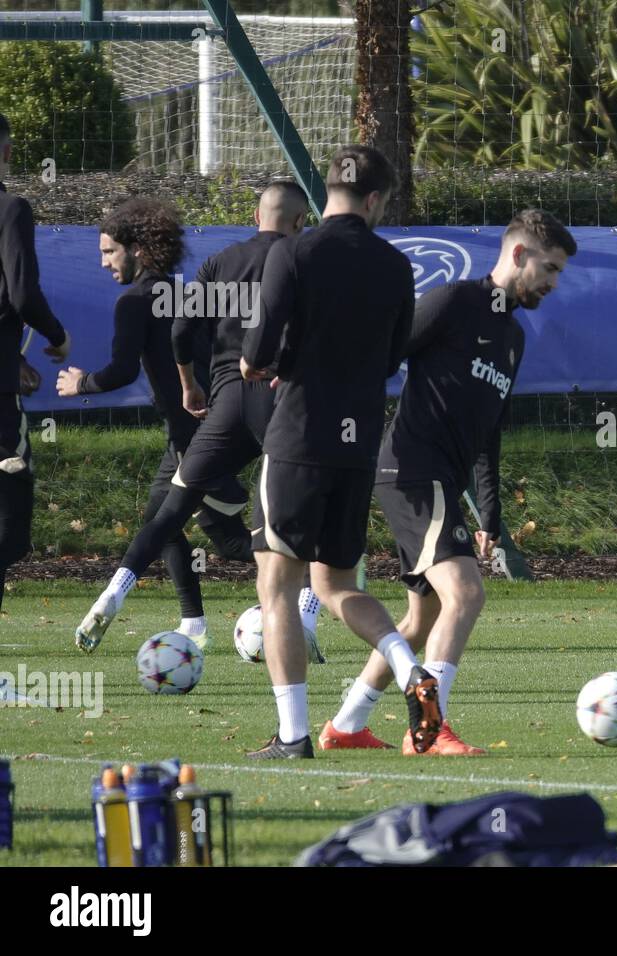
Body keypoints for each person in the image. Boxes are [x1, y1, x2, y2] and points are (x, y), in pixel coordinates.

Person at [320, 209, 576, 756]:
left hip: (439, 479)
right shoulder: (455, 302)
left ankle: (346, 724)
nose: (553, 283)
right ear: (518, 254)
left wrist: (490, 515)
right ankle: (429, 731)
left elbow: (489, 434)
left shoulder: (513, 337)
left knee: (424, 617)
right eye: (550, 269)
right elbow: (380, 358)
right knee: (466, 592)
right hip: (412, 471)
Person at [240, 145, 438, 759]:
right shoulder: (394, 267)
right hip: (359, 444)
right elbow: (390, 358)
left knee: (277, 586)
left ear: (328, 190)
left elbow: (259, 346)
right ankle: (409, 669)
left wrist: (261, 364)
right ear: (376, 198)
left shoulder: (292, 252)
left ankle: (293, 735)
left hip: (298, 436)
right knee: (336, 584)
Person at [71, 183, 324, 654]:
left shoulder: (221, 263)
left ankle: (116, 590)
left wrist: (190, 384)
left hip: (225, 405)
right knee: (312, 516)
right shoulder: (305, 259)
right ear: (300, 222)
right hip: (281, 402)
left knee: (170, 510)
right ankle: (304, 620)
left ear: (254, 215)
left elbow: (183, 330)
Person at [62, 198, 249, 653]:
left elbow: (123, 371)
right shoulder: (182, 294)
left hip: (194, 438)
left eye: (110, 252)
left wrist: (80, 382)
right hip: (201, 431)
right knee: (159, 522)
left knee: (230, 544)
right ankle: (194, 624)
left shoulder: (133, 302)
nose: (104, 262)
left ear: (138, 249)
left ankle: (312, 586)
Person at [0, 112, 71, 612]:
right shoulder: (11, 209)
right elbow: (23, 293)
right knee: (11, 518)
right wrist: (57, 336)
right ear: (5, 151)